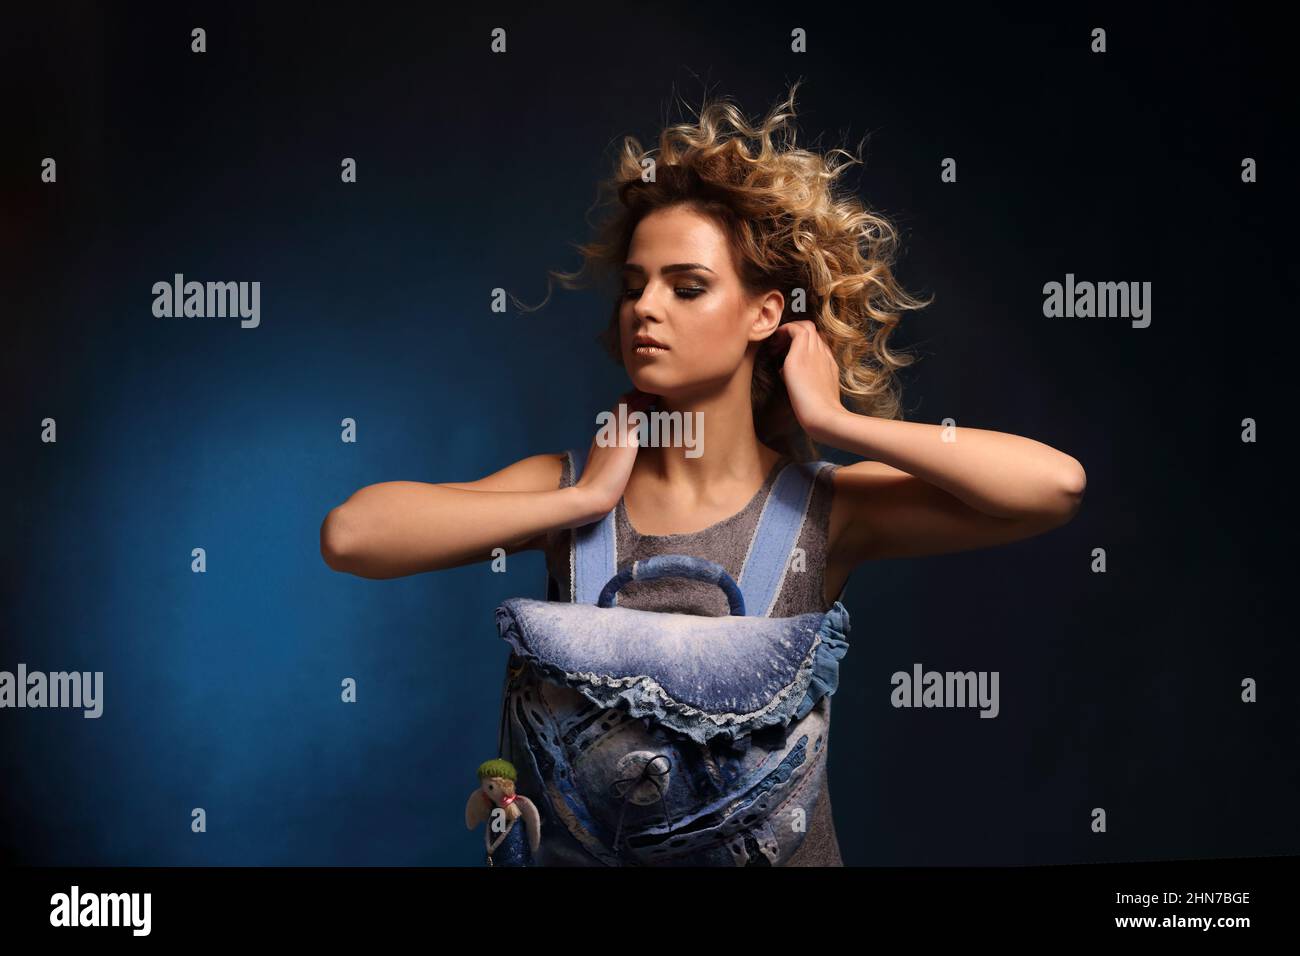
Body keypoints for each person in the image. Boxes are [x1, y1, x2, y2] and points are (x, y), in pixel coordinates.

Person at [319, 81, 1086, 865]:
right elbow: (352, 536)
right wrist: (584, 498)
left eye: (687, 287)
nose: (645, 308)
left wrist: (839, 425)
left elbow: (1052, 488)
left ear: (764, 314)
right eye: (634, 286)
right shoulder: (568, 488)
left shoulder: (825, 510)